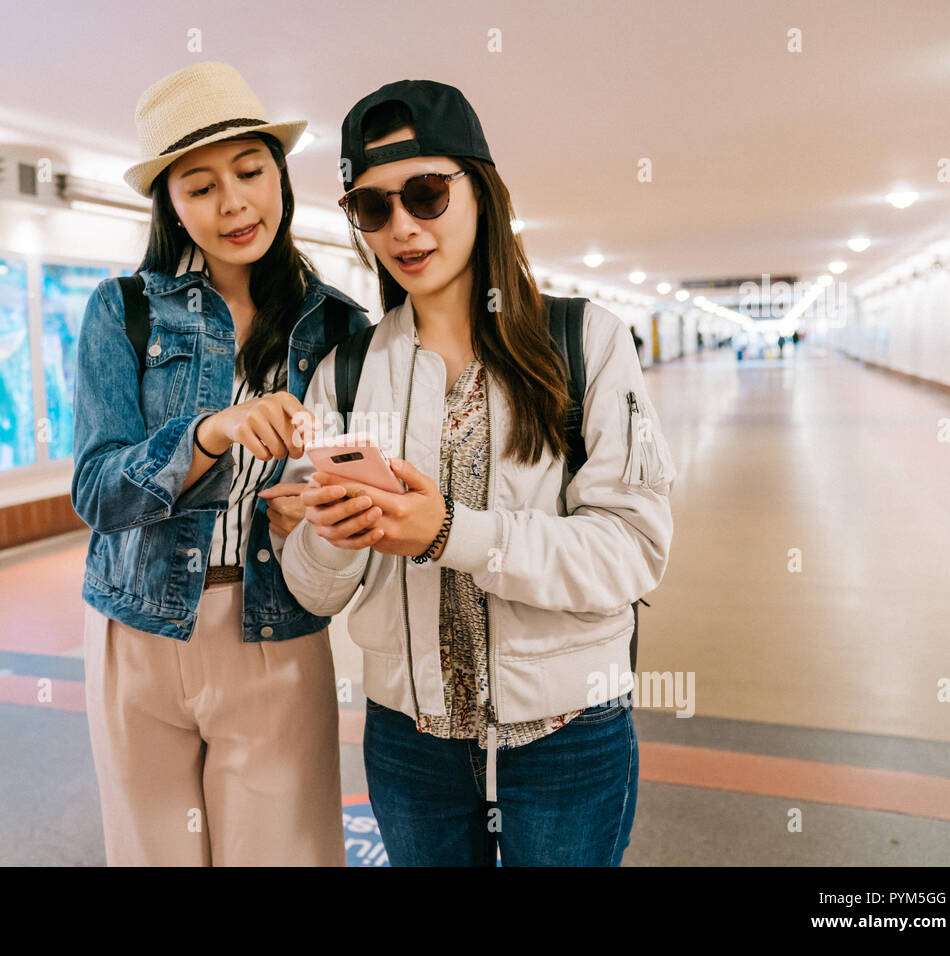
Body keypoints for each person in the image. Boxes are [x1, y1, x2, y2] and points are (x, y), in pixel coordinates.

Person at [268, 80, 676, 866]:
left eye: (425, 193)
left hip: (567, 735)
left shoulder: (584, 342)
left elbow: (633, 551)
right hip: (410, 742)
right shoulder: (348, 375)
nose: (402, 227)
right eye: (372, 208)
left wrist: (451, 532)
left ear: (481, 190)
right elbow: (315, 593)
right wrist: (330, 537)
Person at [71, 61, 371, 866]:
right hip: (135, 626)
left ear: (280, 174)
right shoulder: (123, 312)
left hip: (273, 626)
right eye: (199, 186)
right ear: (170, 202)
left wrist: (319, 505)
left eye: (250, 171)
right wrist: (210, 431)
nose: (234, 203)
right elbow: (96, 491)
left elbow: (352, 474)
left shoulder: (338, 324)